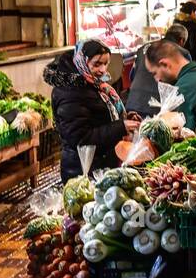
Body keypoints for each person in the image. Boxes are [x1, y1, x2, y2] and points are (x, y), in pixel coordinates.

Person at [45, 40, 139, 180]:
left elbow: (99, 116)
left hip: (100, 164)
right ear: (82, 61)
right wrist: (120, 127)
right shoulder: (71, 92)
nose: (102, 70)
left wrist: (123, 118)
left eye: (106, 63)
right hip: (82, 170)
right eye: (97, 64)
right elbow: (80, 138)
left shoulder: (93, 83)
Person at [125, 24, 190, 116]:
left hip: (133, 103)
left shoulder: (143, 48)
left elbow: (132, 76)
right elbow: (185, 84)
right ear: (182, 40)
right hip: (158, 108)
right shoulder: (182, 54)